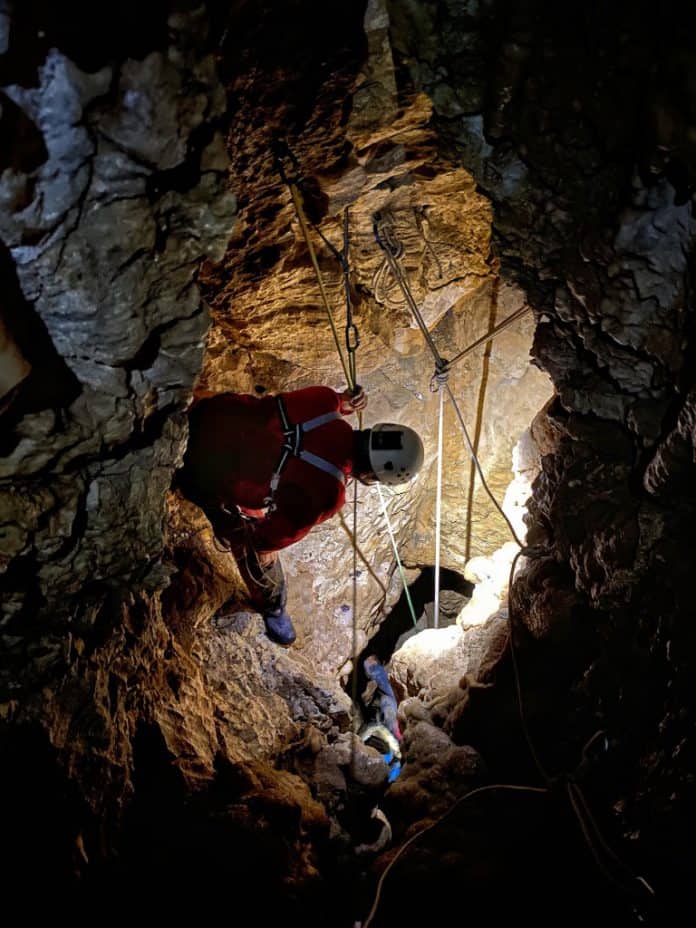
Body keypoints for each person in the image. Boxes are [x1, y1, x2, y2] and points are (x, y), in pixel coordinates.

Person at [178, 384, 424, 646]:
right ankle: (273, 607)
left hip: (205, 414)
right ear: (371, 477)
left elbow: (328, 407)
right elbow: (265, 541)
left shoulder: (324, 399)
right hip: (198, 473)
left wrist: (344, 402)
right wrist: (251, 525)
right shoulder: (328, 493)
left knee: (245, 416)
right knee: (262, 553)